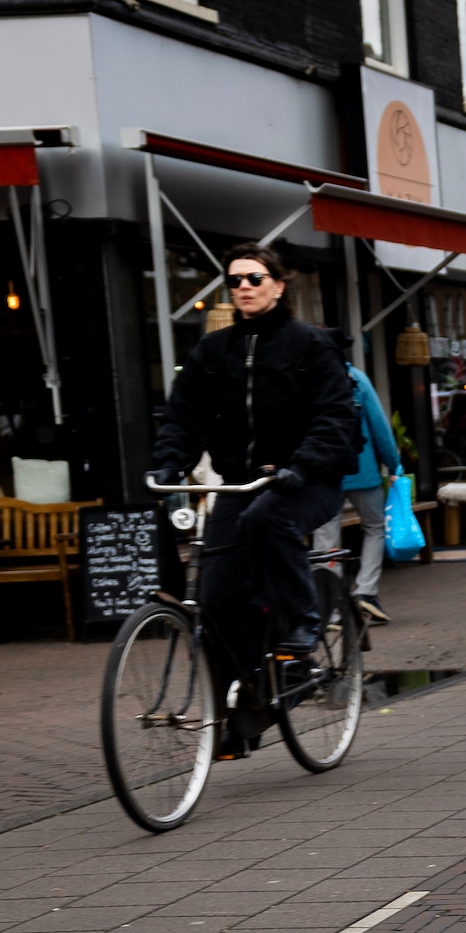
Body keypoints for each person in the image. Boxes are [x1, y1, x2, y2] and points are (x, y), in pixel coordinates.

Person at [153, 245, 358, 670]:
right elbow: (183, 414)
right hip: (239, 483)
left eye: (254, 278)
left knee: (268, 518)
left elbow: (334, 415)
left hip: (309, 479)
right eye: (234, 280)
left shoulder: (309, 344)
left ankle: (304, 616)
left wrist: (302, 466)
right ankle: (242, 705)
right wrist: (170, 461)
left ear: (278, 287)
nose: (243, 287)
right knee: (215, 597)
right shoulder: (213, 350)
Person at [313, 355, 403, 625]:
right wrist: (393, 463)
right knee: (375, 528)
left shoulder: (307, 379)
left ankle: (331, 608)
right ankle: (366, 591)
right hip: (362, 470)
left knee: (326, 540)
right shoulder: (356, 378)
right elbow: (379, 425)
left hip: (323, 473)